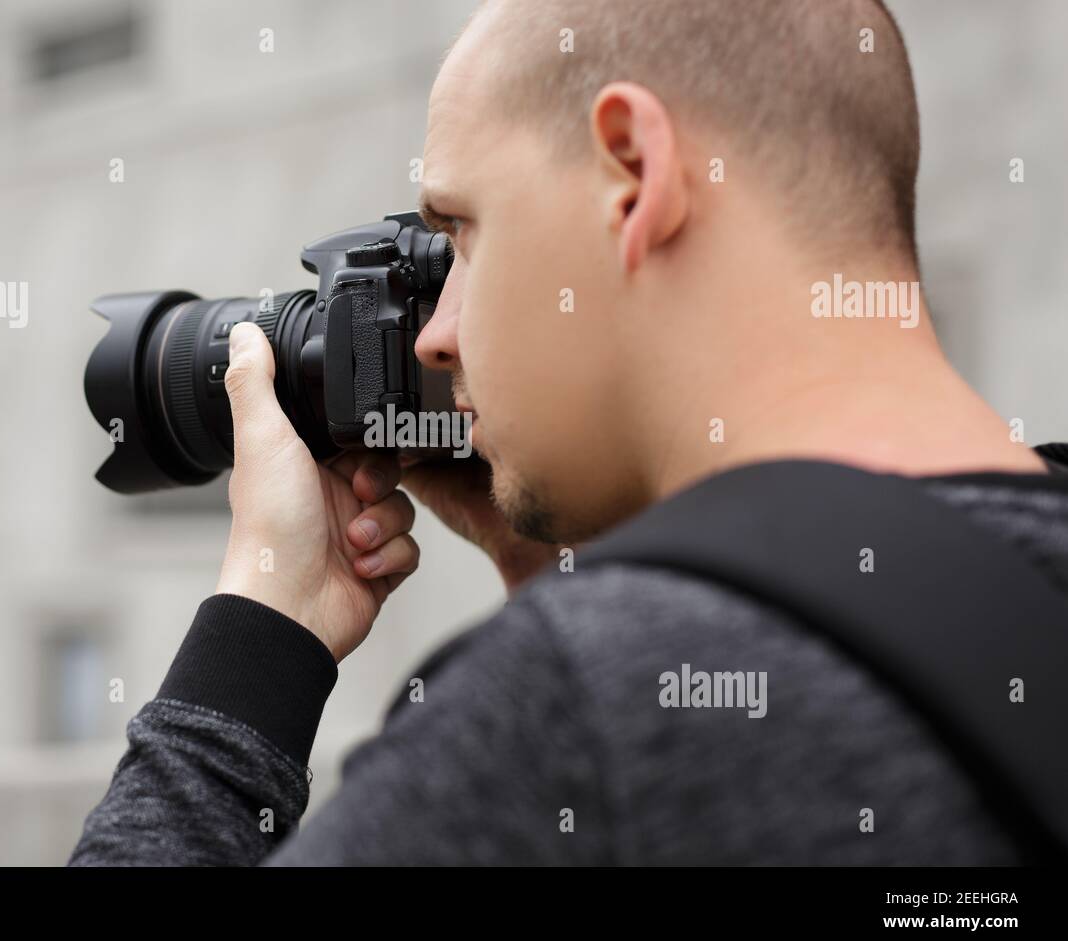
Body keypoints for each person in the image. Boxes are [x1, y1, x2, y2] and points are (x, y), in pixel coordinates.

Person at [68, 0, 1068, 865]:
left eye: (458, 234)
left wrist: (256, 641)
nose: (443, 330)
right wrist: (563, 581)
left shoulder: (577, 712)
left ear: (632, 172)